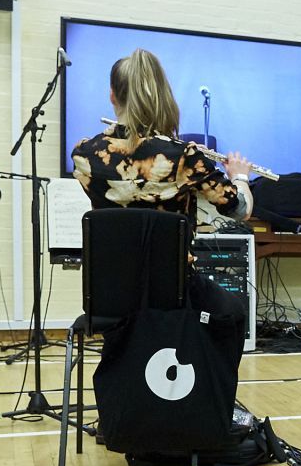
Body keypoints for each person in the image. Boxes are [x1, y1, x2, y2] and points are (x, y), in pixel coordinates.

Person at [71, 48, 255, 319]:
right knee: (234, 313)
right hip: (173, 289)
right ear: (162, 97)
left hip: (111, 290)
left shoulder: (84, 154)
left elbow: (130, 190)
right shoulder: (184, 156)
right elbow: (240, 210)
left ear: (112, 95)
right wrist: (239, 176)